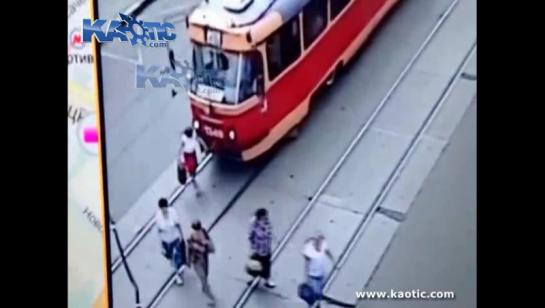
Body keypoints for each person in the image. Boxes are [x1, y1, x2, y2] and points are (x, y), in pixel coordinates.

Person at [155, 198, 186, 285]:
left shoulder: (172, 212)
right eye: (162, 208)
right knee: (172, 258)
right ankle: (177, 274)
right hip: (166, 240)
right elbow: (159, 232)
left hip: (175, 237)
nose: (164, 210)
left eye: (165, 207)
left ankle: (179, 270)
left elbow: (178, 225)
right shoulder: (158, 217)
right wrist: (161, 246)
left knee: (177, 255)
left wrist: (182, 236)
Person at [187, 220, 217, 307]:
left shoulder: (205, 234)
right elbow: (188, 249)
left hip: (204, 259)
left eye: (198, 230)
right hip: (196, 261)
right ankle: (211, 297)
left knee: (205, 275)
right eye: (196, 230)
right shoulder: (191, 237)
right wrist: (189, 260)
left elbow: (212, 248)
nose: (197, 232)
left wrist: (205, 245)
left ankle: (205, 287)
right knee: (203, 277)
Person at [301, 232, 335, 306]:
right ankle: (313, 304)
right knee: (315, 292)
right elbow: (306, 264)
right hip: (313, 275)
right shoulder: (309, 250)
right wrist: (306, 277)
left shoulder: (323, 245)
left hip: (321, 274)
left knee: (319, 291)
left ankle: (317, 302)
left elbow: (327, 251)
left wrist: (333, 260)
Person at [248, 208, 275, 288]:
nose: (266, 217)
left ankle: (267, 279)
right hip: (257, 248)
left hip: (265, 248)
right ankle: (254, 278)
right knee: (255, 264)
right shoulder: (254, 223)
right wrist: (252, 246)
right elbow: (251, 234)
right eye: (265, 216)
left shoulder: (267, 223)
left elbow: (269, 233)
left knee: (266, 263)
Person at [179, 127, 207, 197]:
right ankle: (192, 177)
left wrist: (205, 146)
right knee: (191, 167)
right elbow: (180, 150)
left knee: (194, 166)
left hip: (193, 153)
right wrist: (180, 160)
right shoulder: (184, 140)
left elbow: (199, 139)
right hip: (187, 155)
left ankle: (192, 175)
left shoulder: (194, 134)